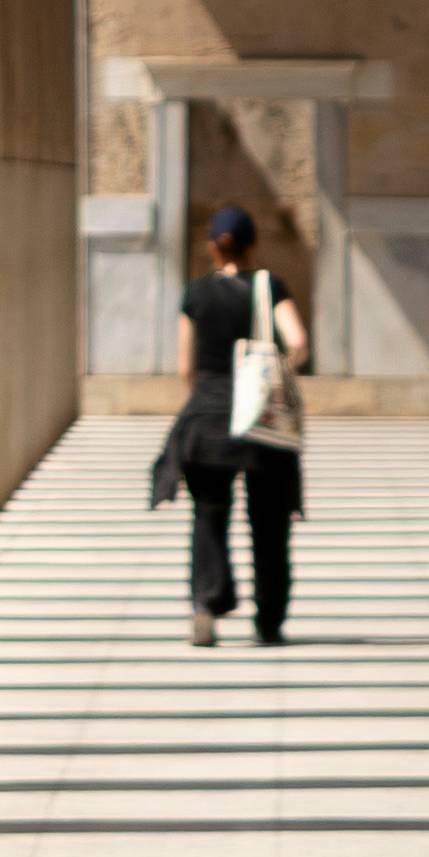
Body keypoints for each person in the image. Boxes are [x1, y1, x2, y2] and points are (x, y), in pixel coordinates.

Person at [153, 205, 305, 647]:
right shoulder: (269, 286)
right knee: (270, 521)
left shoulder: (195, 294)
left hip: (208, 420)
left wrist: (204, 400)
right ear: (252, 244)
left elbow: (187, 368)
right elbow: (297, 342)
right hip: (261, 418)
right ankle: (269, 618)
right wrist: (274, 375)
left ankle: (206, 605)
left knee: (209, 515)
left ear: (211, 247)